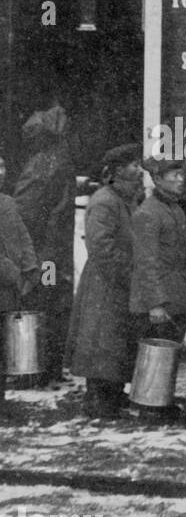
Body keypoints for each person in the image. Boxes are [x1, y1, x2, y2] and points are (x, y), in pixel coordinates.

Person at [66, 144, 142, 419]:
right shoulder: (104, 200)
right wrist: (129, 274)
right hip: (104, 284)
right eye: (133, 164)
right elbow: (101, 247)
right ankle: (98, 399)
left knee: (116, 342)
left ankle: (112, 393)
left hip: (118, 282)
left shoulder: (125, 199)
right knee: (101, 342)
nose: (139, 168)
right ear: (119, 170)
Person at [12, 104, 75, 383]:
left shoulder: (42, 163)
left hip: (43, 254)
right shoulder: (59, 159)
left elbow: (26, 209)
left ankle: (35, 366)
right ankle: (48, 366)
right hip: (54, 253)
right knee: (53, 300)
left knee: (41, 300)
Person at [129, 159, 186, 417]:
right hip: (158, 301)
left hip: (175, 296)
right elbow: (146, 263)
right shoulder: (148, 213)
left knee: (169, 350)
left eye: (181, 174)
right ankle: (149, 407)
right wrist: (155, 304)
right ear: (157, 180)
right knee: (156, 354)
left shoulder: (174, 210)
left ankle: (161, 403)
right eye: (174, 175)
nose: (181, 179)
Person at [0, 164, 40, 418]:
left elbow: (23, 237)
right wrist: (14, 273)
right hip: (6, 280)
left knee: (4, 346)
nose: (1, 172)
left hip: (7, 290)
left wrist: (31, 267)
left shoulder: (7, 203)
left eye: (3, 166)